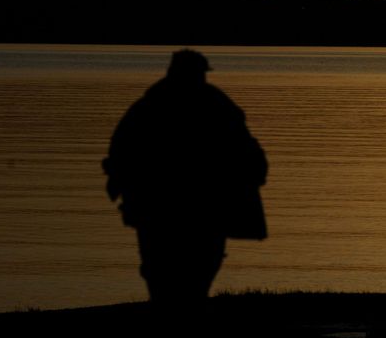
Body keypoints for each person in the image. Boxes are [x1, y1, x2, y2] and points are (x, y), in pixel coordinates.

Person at [103, 49, 268, 309]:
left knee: (179, 268)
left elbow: (120, 152)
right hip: (178, 207)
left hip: (175, 207)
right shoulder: (208, 105)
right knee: (179, 268)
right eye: (199, 73)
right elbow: (246, 149)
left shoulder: (150, 106)